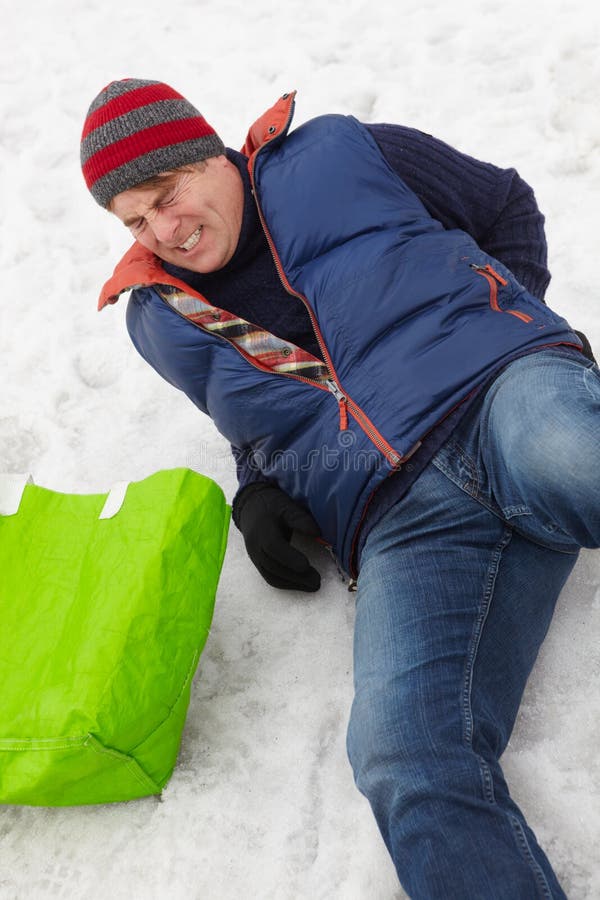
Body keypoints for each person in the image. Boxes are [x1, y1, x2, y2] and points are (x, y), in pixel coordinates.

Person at [81, 78, 599, 898]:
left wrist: (504, 315)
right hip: (403, 519)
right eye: (135, 221)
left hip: (499, 394)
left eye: (167, 196)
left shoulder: (338, 154)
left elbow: (505, 205)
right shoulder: (161, 317)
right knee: (402, 752)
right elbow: (254, 420)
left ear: (210, 155)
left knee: (577, 460)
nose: (163, 231)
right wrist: (256, 497)